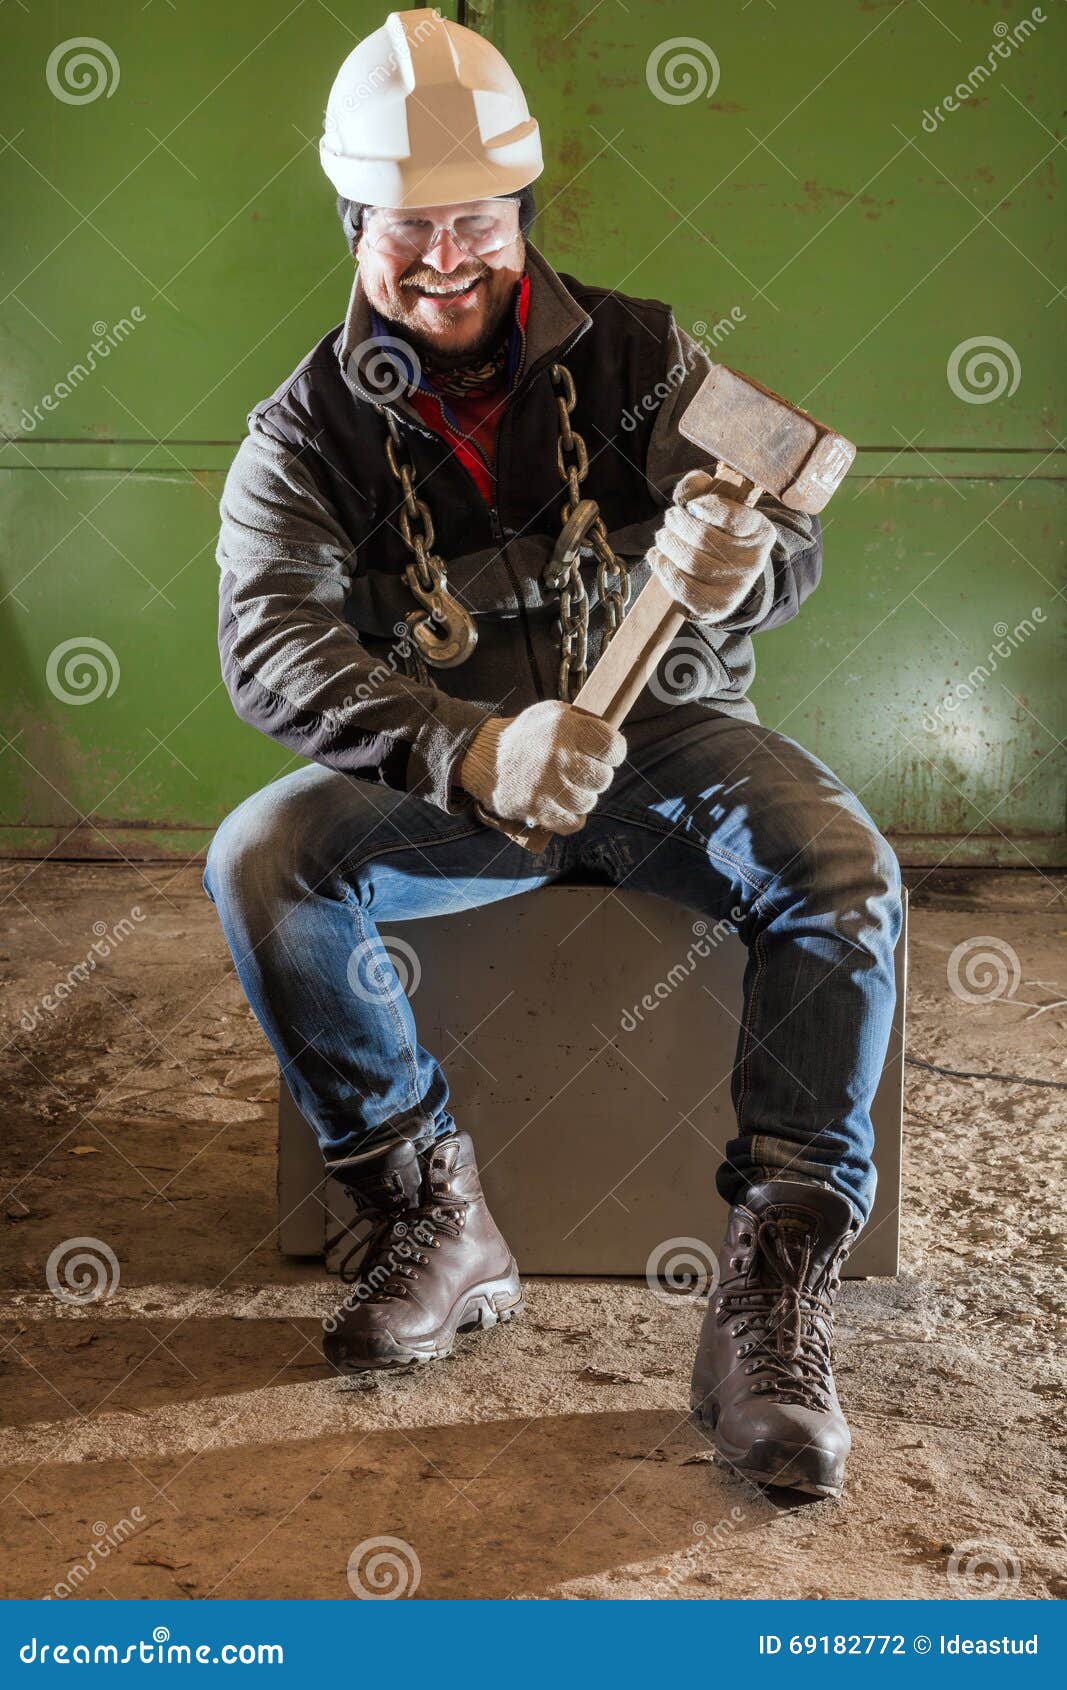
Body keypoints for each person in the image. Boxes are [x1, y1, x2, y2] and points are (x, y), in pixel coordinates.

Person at [204, 9, 902, 1500]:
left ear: (519, 214)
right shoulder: (309, 432)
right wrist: (462, 748)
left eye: (476, 223)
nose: (444, 259)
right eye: (410, 230)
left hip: (668, 747)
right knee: (266, 859)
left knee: (841, 870)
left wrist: (747, 564)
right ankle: (427, 1210)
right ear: (355, 225)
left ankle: (770, 1298)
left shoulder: (641, 354)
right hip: (462, 784)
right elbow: (272, 644)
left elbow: (788, 526)